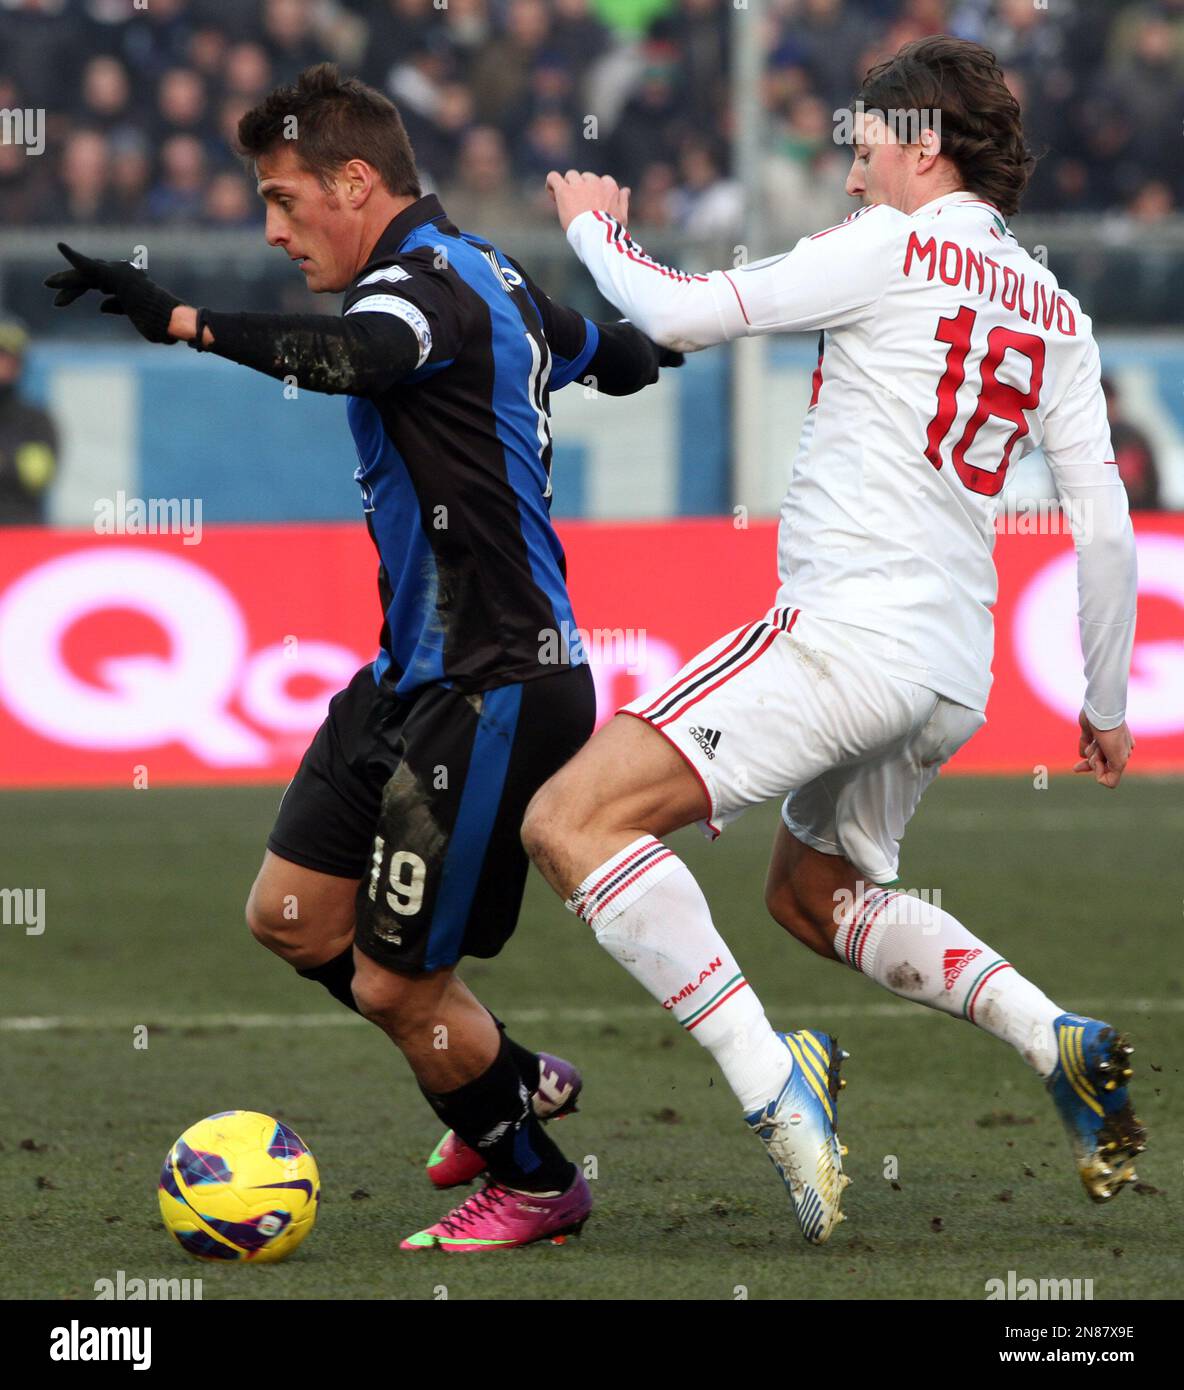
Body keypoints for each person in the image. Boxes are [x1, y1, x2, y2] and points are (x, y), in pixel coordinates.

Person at [45, 62, 679, 1254]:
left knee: (395, 987)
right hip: (409, 674)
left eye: (283, 201)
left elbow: (363, 355)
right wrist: (640, 351)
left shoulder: (420, 293)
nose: (273, 230)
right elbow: (594, 344)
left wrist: (181, 316)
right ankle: (510, 1078)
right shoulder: (485, 269)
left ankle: (539, 1181)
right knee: (289, 913)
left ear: (354, 180)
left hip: (494, 684)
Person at [525, 36, 1145, 1246]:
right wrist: (1105, 700)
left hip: (845, 637)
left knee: (569, 821)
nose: (848, 169)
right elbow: (1107, 527)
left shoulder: (890, 247)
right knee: (814, 895)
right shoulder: (1056, 310)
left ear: (923, 145)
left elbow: (675, 311)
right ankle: (1048, 1035)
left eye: (861, 143)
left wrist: (593, 229)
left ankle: (774, 1089)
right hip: (947, 671)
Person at [0, 316, 58, 526]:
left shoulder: (35, 421)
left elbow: (35, 476)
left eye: (8, 357)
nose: (3, 364)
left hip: (19, 532)